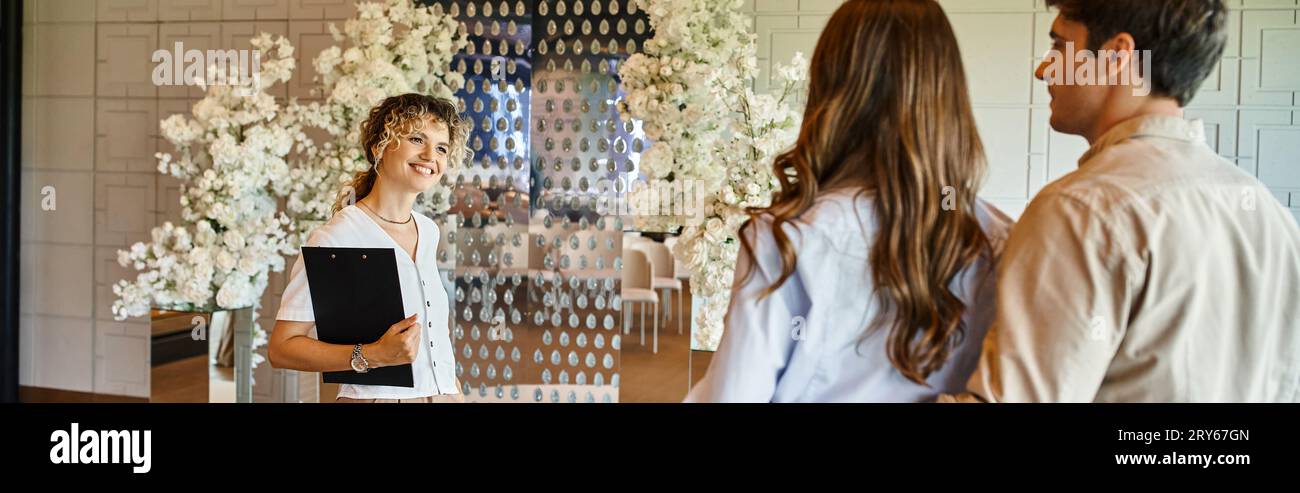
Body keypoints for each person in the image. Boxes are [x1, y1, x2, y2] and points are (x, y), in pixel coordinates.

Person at [958, 0, 1300, 402]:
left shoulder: (1080, 209)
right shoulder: (1269, 213)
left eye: (1060, 48)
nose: (1043, 69)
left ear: (1117, 55)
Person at [685, 0, 1011, 403]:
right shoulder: (999, 241)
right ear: (948, 96)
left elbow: (733, 395)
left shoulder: (786, 239)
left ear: (830, 91)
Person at [268, 94, 470, 403]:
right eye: (417, 139)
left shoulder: (428, 231)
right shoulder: (337, 236)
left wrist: (453, 390)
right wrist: (371, 355)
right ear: (379, 147)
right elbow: (282, 348)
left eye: (441, 147)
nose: (431, 155)